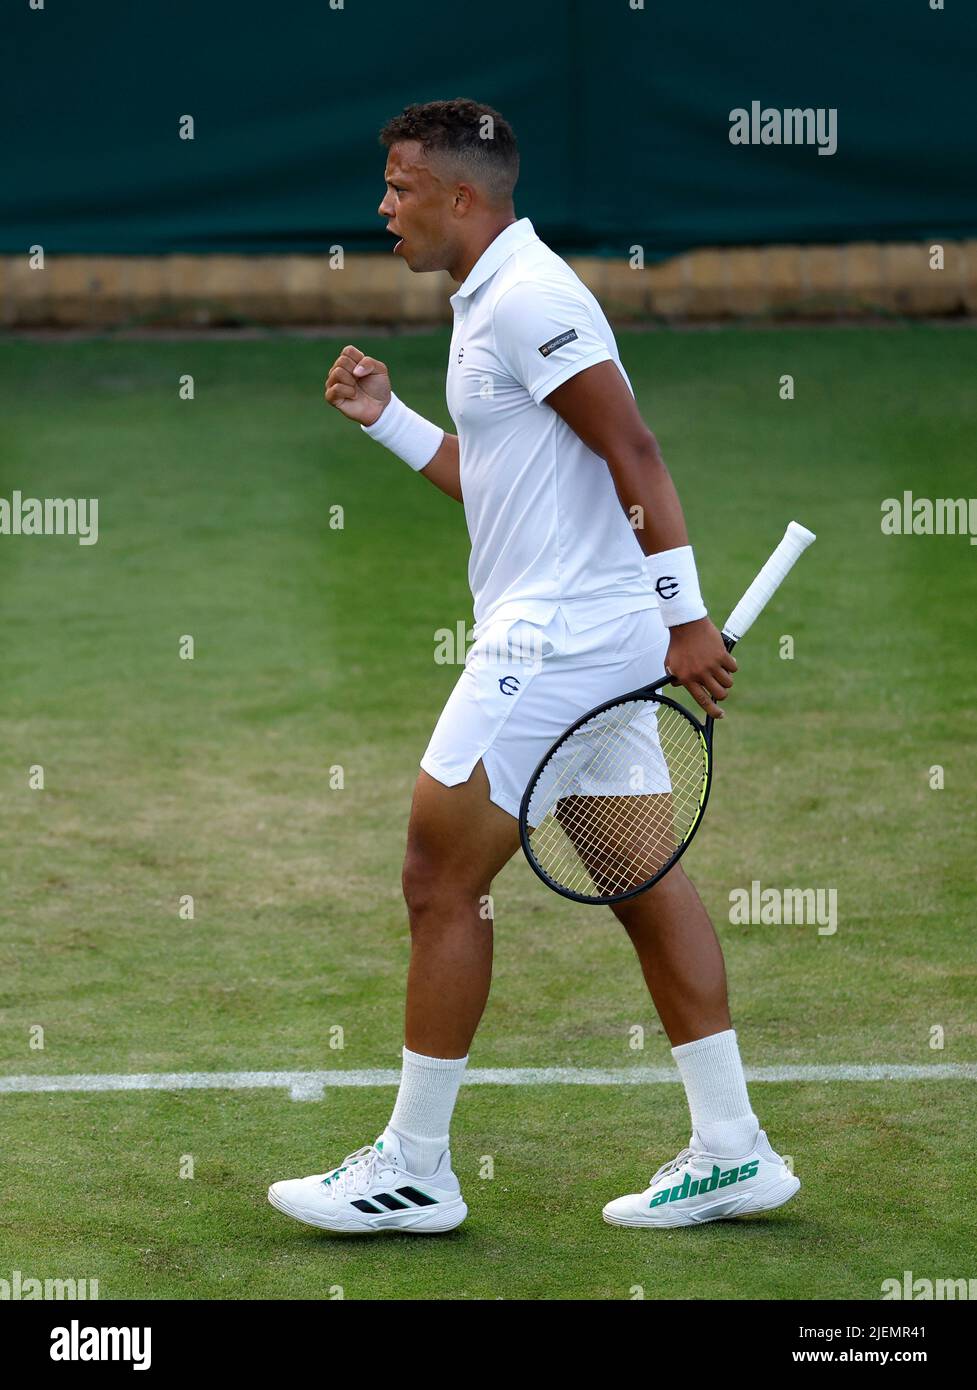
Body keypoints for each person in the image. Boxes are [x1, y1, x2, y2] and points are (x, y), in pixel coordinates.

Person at [268, 98, 799, 1234]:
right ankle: (733, 1147)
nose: (384, 207)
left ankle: (413, 1166)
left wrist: (688, 616)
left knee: (436, 873)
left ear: (462, 196)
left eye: (401, 186)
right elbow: (504, 481)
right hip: (585, 627)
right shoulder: (486, 300)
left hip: (557, 635)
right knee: (639, 879)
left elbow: (631, 448)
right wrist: (386, 419)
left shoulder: (531, 298)